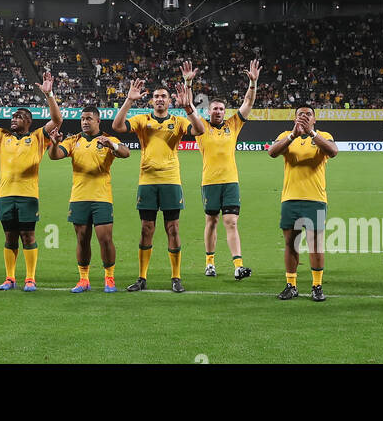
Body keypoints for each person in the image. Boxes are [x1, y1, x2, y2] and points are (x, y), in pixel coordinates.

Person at [112, 72, 206, 293]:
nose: (160, 99)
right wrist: (129, 100)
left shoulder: (178, 121)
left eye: (164, 96)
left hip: (171, 181)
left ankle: (176, 277)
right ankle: (142, 277)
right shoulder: (142, 120)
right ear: (152, 100)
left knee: (172, 228)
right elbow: (117, 126)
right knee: (147, 228)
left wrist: (188, 107)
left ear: (169, 100)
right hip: (147, 181)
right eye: (156, 96)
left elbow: (200, 130)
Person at [0, 65, 61, 292]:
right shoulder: (3, 137)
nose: (14, 119)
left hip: (28, 195)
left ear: (28, 121)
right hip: (5, 195)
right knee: (9, 236)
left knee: (28, 236)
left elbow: (57, 120)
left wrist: (49, 94)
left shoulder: (39, 137)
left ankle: (30, 278)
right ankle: (10, 278)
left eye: (19, 117)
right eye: (13, 116)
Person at [49, 107, 129, 293]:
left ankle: (109, 278)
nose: (84, 122)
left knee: (105, 239)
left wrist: (112, 146)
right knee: (82, 239)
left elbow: (125, 153)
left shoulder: (108, 139)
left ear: (98, 121)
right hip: (79, 198)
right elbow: (54, 156)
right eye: (82, 119)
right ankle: (83, 279)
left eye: (89, 118)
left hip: (101, 198)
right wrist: (53, 144)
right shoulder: (73, 140)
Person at [195, 60, 259, 279]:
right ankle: (210, 262)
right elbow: (189, 108)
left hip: (231, 182)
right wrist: (188, 82)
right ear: (209, 111)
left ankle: (238, 265)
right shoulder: (201, 127)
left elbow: (248, 103)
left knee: (231, 222)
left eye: (222, 109)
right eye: (215, 109)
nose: (219, 112)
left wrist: (253, 83)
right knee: (211, 221)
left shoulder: (233, 124)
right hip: (210, 182)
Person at [267, 105, 338, 301]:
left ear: (314, 119)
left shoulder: (323, 135)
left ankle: (317, 286)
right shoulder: (286, 135)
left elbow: (333, 151)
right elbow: (272, 152)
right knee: (291, 244)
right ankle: (291, 285)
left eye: (308, 114)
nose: (304, 116)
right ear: (294, 118)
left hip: (316, 199)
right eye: (300, 114)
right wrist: (292, 136)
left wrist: (311, 133)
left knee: (315, 245)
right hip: (290, 198)